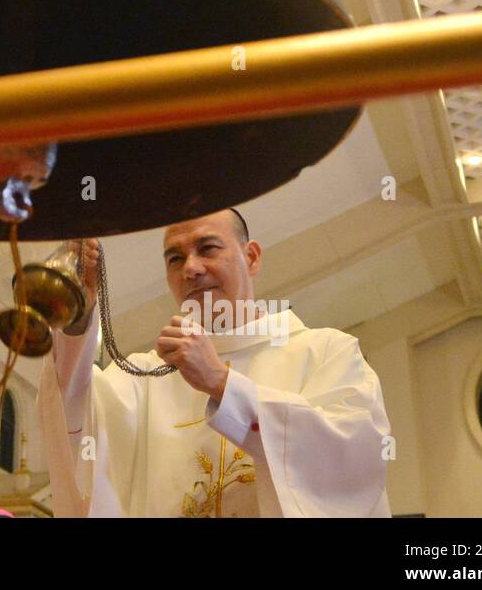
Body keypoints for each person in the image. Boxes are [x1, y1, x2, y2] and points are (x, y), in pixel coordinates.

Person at [37, 210, 392, 517]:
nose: (191, 268)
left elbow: (355, 455)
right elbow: (71, 411)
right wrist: (77, 312)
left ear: (251, 257)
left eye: (207, 248)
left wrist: (223, 384)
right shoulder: (144, 375)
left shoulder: (326, 351)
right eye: (175, 259)